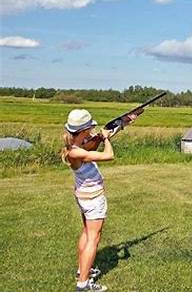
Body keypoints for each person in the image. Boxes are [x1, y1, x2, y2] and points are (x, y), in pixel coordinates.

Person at [61, 109, 113, 292]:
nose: (92, 130)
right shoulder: (75, 152)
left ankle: (82, 270)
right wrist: (105, 138)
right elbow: (109, 156)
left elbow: (89, 147)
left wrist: (105, 134)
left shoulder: (75, 146)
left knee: (86, 232)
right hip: (93, 199)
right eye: (89, 129)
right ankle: (83, 284)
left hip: (84, 197)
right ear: (83, 131)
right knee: (94, 238)